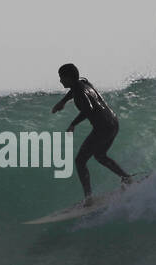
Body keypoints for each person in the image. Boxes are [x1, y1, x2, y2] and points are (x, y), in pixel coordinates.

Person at [50, 63, 131, 203]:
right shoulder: (83, 82)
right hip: (113, 122)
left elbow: (89, 109)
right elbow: (74, 90)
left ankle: (88, 197)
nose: (60, 81)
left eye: (61, 78)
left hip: (103, 128)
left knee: (80, 161)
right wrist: (63, 101)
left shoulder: (80, 94)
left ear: (68, 78)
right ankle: (126, 178)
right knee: (99, 155)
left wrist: (73, 124)